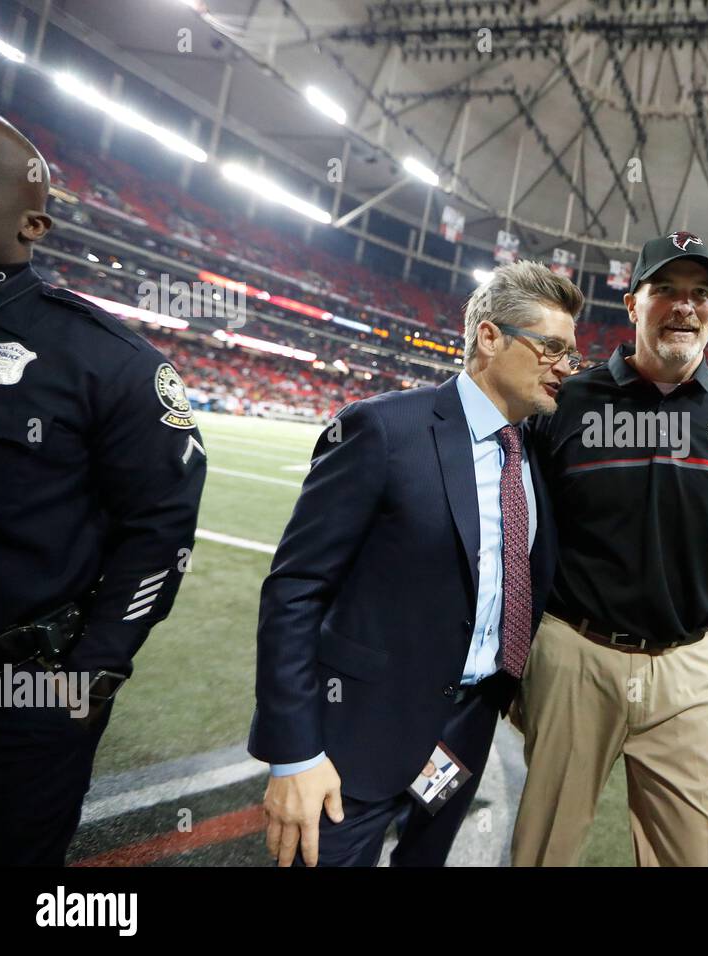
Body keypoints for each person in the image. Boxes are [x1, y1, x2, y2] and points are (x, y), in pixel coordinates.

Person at [250, 261, 581, 867]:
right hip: (355, 737)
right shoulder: (382, 428)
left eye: (572, 354)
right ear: (488, 336)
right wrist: (294, 752)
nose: (565, 366)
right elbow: (295, 591)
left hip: (465, 732)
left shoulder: (533, 455)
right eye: (552, 348)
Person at [510, 231, 708, 866]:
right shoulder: (567, 400)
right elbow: (515, 531)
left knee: (698, 856)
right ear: (633, 302)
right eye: (664, 289)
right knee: (543, 851)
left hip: (688, 666)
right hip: (574, 652)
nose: (684, 306)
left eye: (700, 294)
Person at [0, 111, 206, 865]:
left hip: (18, 697)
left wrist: (91, 676)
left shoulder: (109, 363)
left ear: (31, 225)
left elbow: (161, 531)